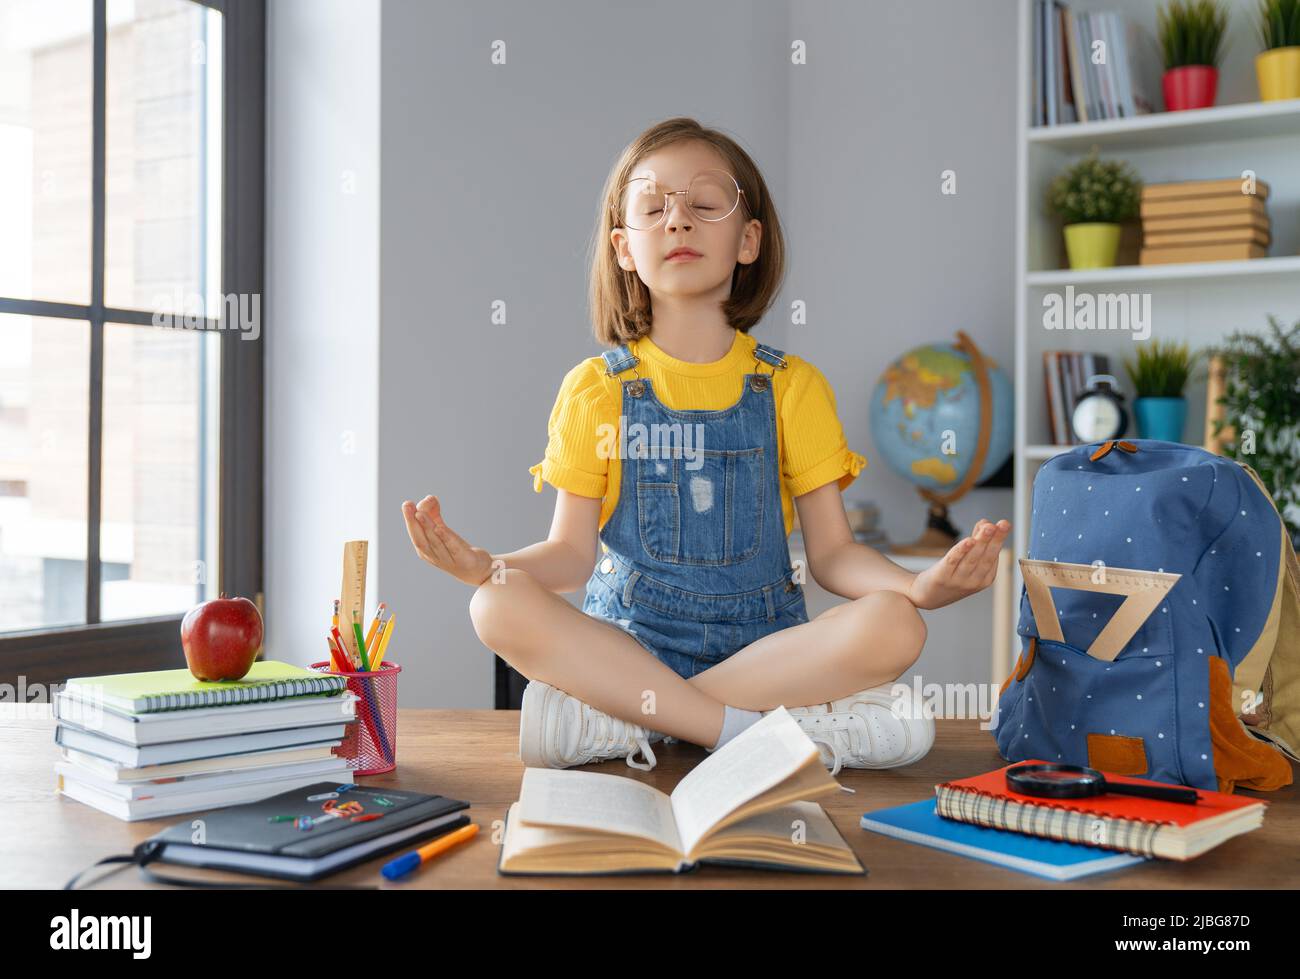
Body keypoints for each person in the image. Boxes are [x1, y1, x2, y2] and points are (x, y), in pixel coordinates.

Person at [402, 117, 1010, 775]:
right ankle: (740, 730)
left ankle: (630, 718)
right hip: (627, 649)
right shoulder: (595, 390)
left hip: (763, 656)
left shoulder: (792, 386)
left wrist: (919, 586)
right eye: (653, 205)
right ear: (624, 248)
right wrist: (484, 566)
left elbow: (833, 555)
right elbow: (571, 556)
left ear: (748, 239)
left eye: (705, 203)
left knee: (898, 624)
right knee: (493, 602)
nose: (678, 220)